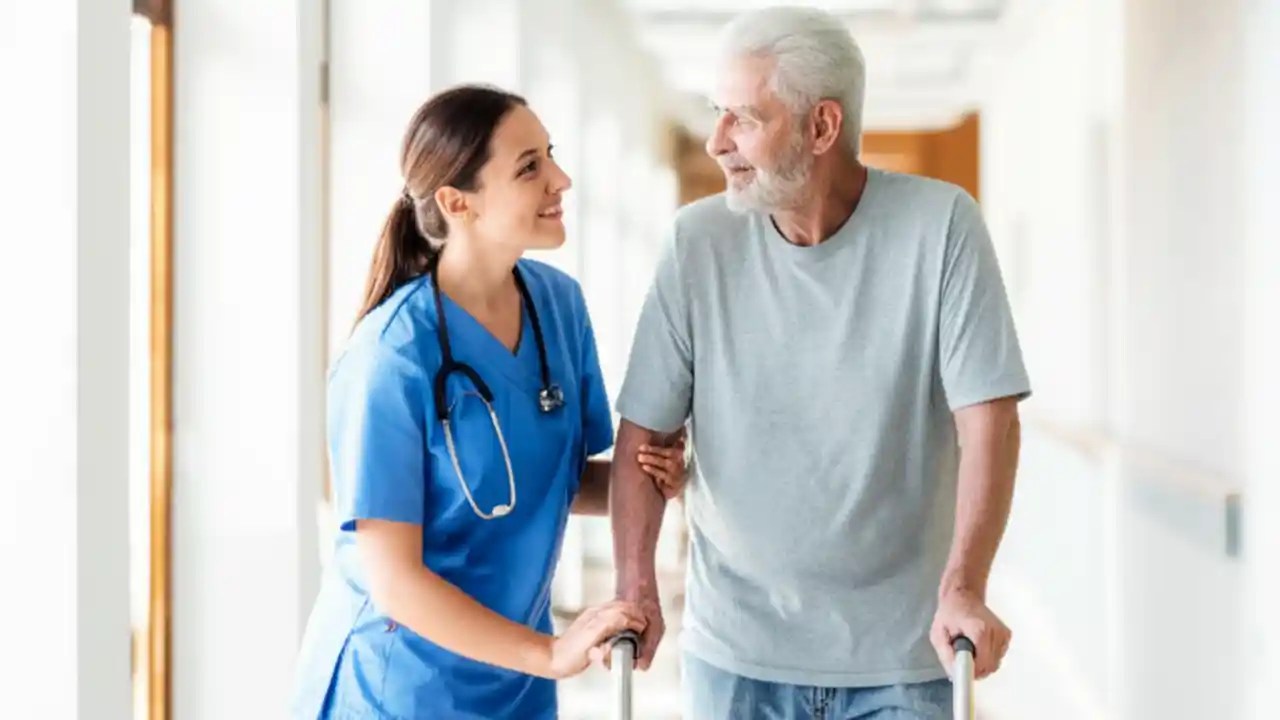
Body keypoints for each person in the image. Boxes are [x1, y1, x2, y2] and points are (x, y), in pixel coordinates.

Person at [610, 6, 1032, 719]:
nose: (716, 142)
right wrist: (635, 588)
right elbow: (643, 436)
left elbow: (989, 421)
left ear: (822, 127)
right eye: (718, 114)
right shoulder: (696, 243)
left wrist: (965, 585)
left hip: (900, 655)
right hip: (735, 653)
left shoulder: (940, 226)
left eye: (743, 118)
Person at [291, 84, 688, 720]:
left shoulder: (558, 306)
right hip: (402, 685)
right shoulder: (393, 355)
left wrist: (649, 481)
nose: (560, 179)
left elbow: (548, 480)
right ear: (457, 202)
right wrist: (549, 653)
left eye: (550, 154)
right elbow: (394, 580)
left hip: (511, 680)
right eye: (529, 167)